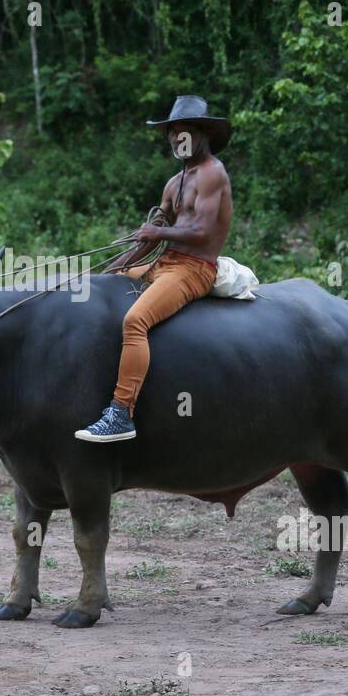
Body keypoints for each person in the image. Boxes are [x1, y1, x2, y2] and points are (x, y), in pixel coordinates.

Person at [76, 95, 233, 442]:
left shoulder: (212, 173)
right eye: (173, 133)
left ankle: (122, 412)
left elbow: (203, 232)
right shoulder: (174, 184)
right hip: (163, 264)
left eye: (185, 132)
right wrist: (108, 273)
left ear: (203, 133)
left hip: (193, 269)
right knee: (102, 289)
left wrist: (158, 231)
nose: (178, 138)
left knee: (135, 321)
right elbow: (146, 242)